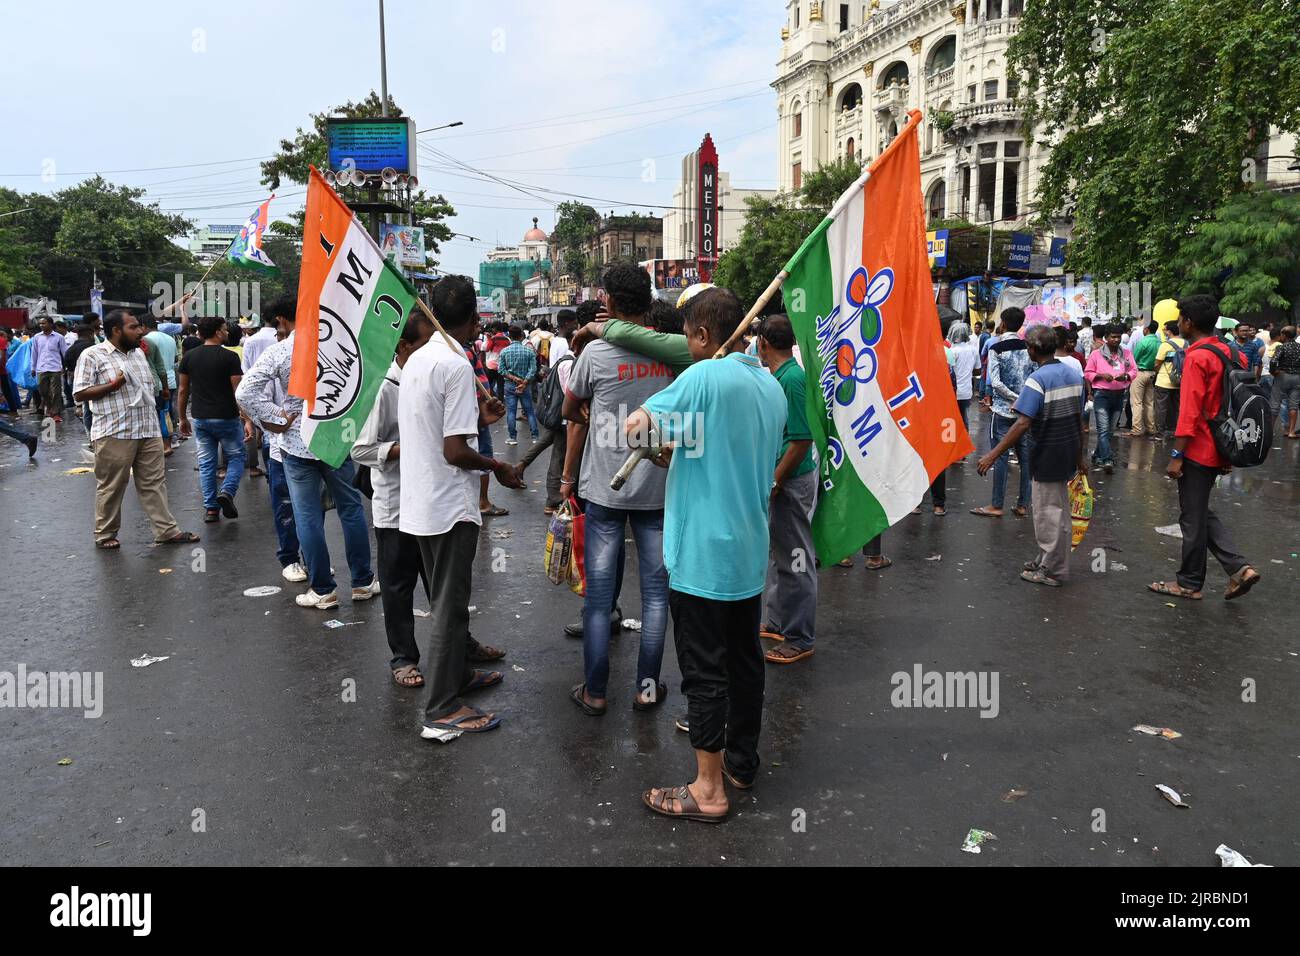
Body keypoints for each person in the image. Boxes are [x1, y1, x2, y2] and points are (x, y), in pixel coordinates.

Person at [627, 287, 786, 823]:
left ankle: (709, 790)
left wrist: (652, 442)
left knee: (704, 672)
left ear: (701, 333)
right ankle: (741, 761)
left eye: (687, 334)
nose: (686, 345)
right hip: (746, 549)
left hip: (701, 555)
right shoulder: (769, 385)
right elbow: (721, 449)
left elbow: (635, 427)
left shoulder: (701, 378)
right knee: (745, 660)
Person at [398, 276, 523, 742]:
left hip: (423, 501)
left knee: (445, 601)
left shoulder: (418, 359)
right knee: (448, 608)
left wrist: (478, 418)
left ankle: (458, 676)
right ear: (474, 320)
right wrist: (498, 466)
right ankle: (442, 708)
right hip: (446, 504)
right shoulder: (451, 363)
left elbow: (440, 430)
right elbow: (454, 451)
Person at [562, 264, 672, 715]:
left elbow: (570, 409)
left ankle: (595, 691)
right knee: (656, 597)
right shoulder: (678, 356)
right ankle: (647, 688)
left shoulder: (596, 354)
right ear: (649, 303)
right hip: (659, 490)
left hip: (605, 491)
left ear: (608, 301)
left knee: (599, 597)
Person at [235, 298, 377, 610]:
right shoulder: (341, 345)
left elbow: (244, 392)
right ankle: (363, 581)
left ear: (286, 320)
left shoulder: (282, 350)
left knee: (307, 515)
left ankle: (323, 589)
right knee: (350, 509)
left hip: (296, 442)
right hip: (336, 439)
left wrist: (275, 418)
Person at [1148, 294, 1261, 602]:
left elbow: (1190, 412)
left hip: (1199, 448)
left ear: (1189, 322)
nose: (1180, 322)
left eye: (1182, 318)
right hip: (1224, 443)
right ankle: (1239, 569)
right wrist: (1227, 453)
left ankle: (1188, 583)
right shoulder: (1230, 351)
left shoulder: (1198, 357)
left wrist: (1176, 455)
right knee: (1199, 511)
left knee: (1192, 517)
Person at [71, 310, 198, 550]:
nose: (140, 330)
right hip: (114, 431)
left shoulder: (139, 353)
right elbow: (79, 393)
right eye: (133, 327)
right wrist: (112, 385)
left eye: (139, 326)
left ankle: (166, 531)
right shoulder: (93, 355)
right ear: (116, 331)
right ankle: (105, 533)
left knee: (154, 483)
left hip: (147, 429)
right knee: (112, 485)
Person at [977, 325, 1086, 586]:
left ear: (1033, 350)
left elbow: (1023, 423)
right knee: (1057, 510)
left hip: (1048, 451)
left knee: (1049, 513)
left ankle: (1052, 569)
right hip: (1068, 449)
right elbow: (1078, 419)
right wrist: (1080, 456)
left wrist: (993, 454)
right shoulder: (1073, 374)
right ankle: (1046, 558)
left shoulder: (1038, 380)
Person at [755, 315, 817, 664]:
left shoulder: (791, 379)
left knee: (797, 560)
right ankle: (778, 621)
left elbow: (801, 439)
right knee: (782, 556)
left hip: (791, 481)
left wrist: (775, 480)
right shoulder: (780, 376)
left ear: (763, 343)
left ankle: (800, 636)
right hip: (783, 479)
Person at [252, 297, 306, 583]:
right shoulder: (273, 356)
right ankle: (290, 558)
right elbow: (252, 396)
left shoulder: (311, 352)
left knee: (309, 509)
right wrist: (279, 420)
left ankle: (313, 558)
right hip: (280, 446)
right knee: (286, 506)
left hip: (309, 447)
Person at [177, 315, 247, 523]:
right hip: (227, 417)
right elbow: (238, 391)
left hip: (200, 417)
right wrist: (246, 418)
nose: (227, 332)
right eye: (224, 329)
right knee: (236, 458)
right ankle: (226, 491)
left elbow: (183, 390)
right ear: (217, 332)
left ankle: (211, 509)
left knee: (207, 464)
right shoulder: (230, 358)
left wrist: (182, 418)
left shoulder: (189, 357)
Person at [971, 307, 1033, 518]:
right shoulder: (1029, 347)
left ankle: (997, 505)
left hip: (1002, 411)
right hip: (1025, 413)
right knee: (1025, 460)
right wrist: (1023, 399)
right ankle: (1023, 504)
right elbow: (1034, 377)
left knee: (1000, 458)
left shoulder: (996, 347)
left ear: (1003, 324)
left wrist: (1013, 398)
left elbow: (995, 382)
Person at [515, 309, 577, 513]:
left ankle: (521, 465)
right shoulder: (565, 350)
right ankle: (552, 499)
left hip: (555, 394)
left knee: (547, 441)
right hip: (562, 406)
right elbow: (569, 388)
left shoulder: (555, 341)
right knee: (559, 453)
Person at [1083, 322, 1136, 473]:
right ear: (1106, 338)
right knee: (1103, 429)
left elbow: (1134, 371)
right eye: (1113, 337)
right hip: (1102, 395)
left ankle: (1097, 455)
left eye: (1119, 337)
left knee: (1111, 430)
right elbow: (1087, 373)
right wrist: (1100, 375)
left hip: (1119, 396)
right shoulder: (1096, 354)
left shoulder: (1126, 354)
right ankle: (1107, 459)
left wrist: (1125, 376)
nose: (1116, 340)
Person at [142, 315, 179, 453]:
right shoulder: (170, 338)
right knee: (167, 413)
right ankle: (170, 441)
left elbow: (156, 365)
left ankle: (161, 445)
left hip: (156, 382)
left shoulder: (147, 340)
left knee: (156, 414)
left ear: (144, 326)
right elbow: (175, 359)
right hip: (171, 381)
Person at [497, 325, 539, 445]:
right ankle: (535, 436)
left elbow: (501, 370)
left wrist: (513, 378)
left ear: (510, 337)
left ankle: (512, 437)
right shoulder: (529, 351)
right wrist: (524, 382)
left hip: (510, 385)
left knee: (511, 411)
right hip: (525, 386)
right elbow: (533, 369)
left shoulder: (504, 351)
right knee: (530, 411)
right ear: (521, 336)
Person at [29, 316, 68, 423]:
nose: (41, 325)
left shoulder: (59, 337)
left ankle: (55, 413)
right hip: (41, 368)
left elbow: (65, 352)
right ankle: (50, 408)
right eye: (40, 324)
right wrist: (33, 367)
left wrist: (66, 367)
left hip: (55, 368)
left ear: (51, 324)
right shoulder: (37, 337)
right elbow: (34, 353)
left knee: (56, 391)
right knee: (43, 391)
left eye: (44, 323)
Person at [1153, 318, 1186, 439]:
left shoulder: (1166, 345)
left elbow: (1157, 363)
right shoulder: (1187, 343)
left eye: (1165, 330)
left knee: (1161, 408)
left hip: (1164, 382)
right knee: (1176, 408)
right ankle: (1174, 431)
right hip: (1180, 381)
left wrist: (1156, 372)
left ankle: (1160, 433)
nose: (1164, 332)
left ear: (1169, 331)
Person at [1128, 319, 1161, 438]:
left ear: (1146, 329)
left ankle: (1136, 429)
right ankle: (1151, 428)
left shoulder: (1143, 342)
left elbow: (1133, 358)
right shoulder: (1159, 343)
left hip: (1140, 374)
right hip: (1153, 373)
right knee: (1149, 402)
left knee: (1136, 402)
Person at [1267, 325, 1299, 439]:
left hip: (1282, 376)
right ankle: (1291, 432)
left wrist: (1273, 372)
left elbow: (1274, 361)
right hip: (1297, 378)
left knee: (1275, 404)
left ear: (1284, 335)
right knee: (1293, 405)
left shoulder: (1282, 347)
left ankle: (1269, 432)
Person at [947, 320, 979, 431]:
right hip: (967, 391)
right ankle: (966, 444)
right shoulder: (974, 350)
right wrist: (968, 372)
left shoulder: (952, 351)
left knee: (951, 420)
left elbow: (948, 372)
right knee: (965, 418)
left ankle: (952, 443)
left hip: (953, 391)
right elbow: (978, 371)